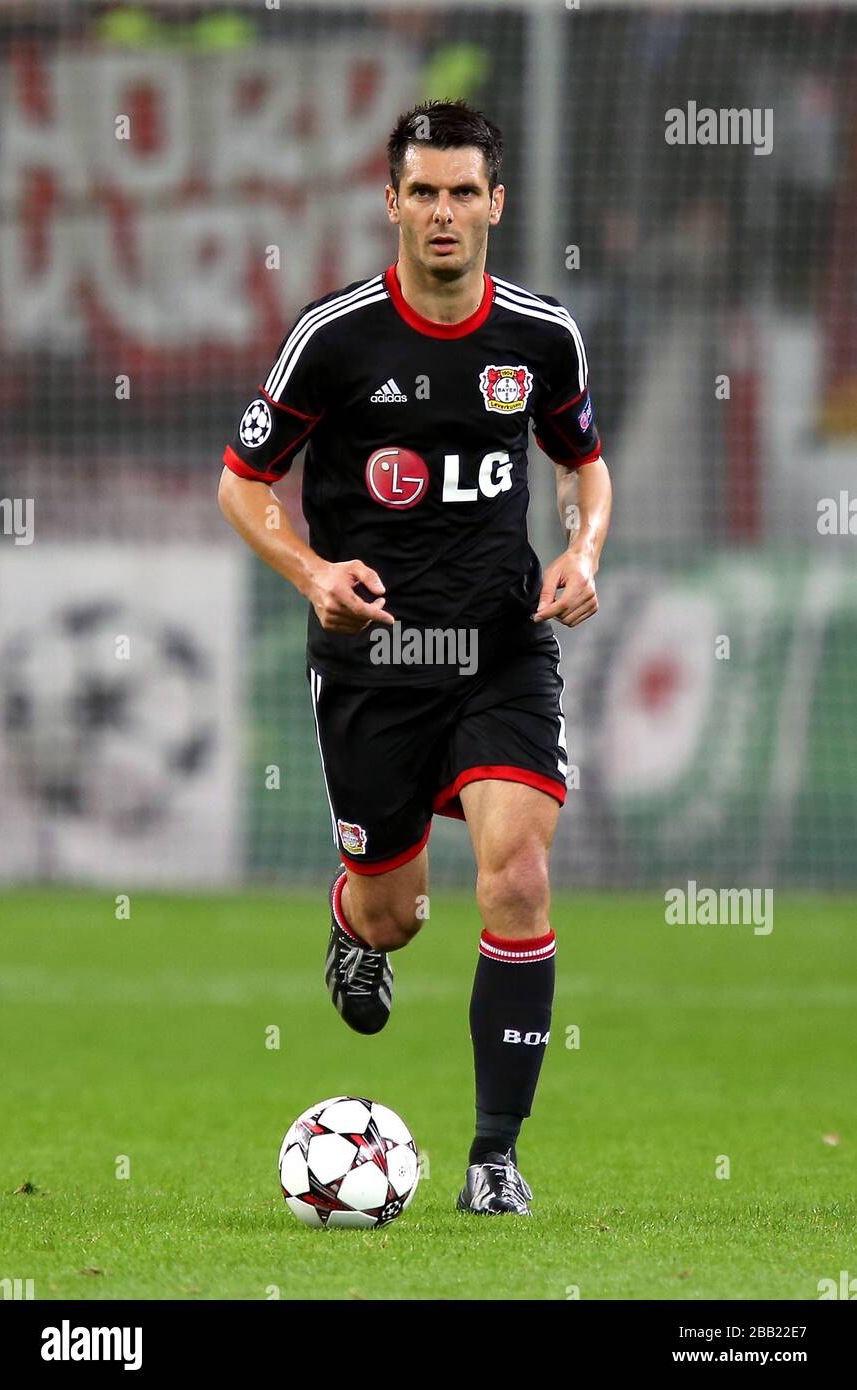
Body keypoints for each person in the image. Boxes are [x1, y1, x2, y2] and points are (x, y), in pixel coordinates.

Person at [218, 100, 612, 1215]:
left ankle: (493, 1158)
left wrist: (582, 551)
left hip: (501, 650)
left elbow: (584, 464)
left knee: (517, 877)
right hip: (374, 662)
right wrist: (312, 574)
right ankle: (357, 927)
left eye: (462, 192)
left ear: (496, 203)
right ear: (391, 201)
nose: (443, 212)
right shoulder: (333, 338)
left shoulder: (541, 337)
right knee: (398, 910)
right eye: (423, 192)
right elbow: (242, 485)